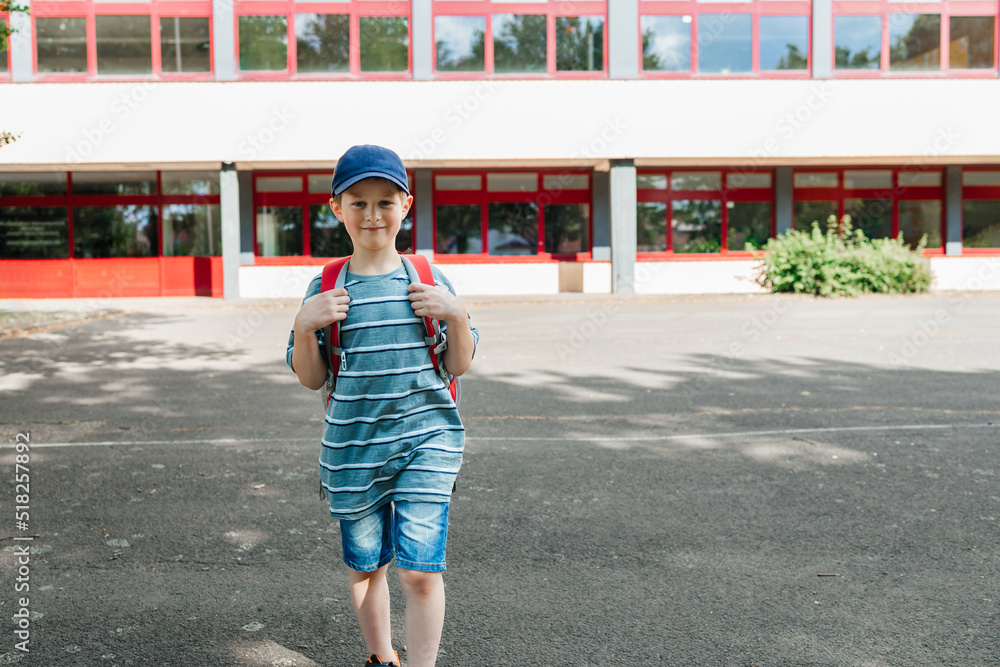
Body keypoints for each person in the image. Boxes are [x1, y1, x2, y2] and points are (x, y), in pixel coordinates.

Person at [285, 145, 478, 667]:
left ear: (406, 206)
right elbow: (312, 378)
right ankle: (380, 657)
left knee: (419, 569)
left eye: (385, 202)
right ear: (337, 209)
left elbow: (458, 364)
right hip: (353, 449)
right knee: (367, 568)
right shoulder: (326, 287)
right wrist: (306, 325)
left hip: (426, 441)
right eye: (359, 202)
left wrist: (456, 316)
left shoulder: (428, 279)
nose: (373, 215)